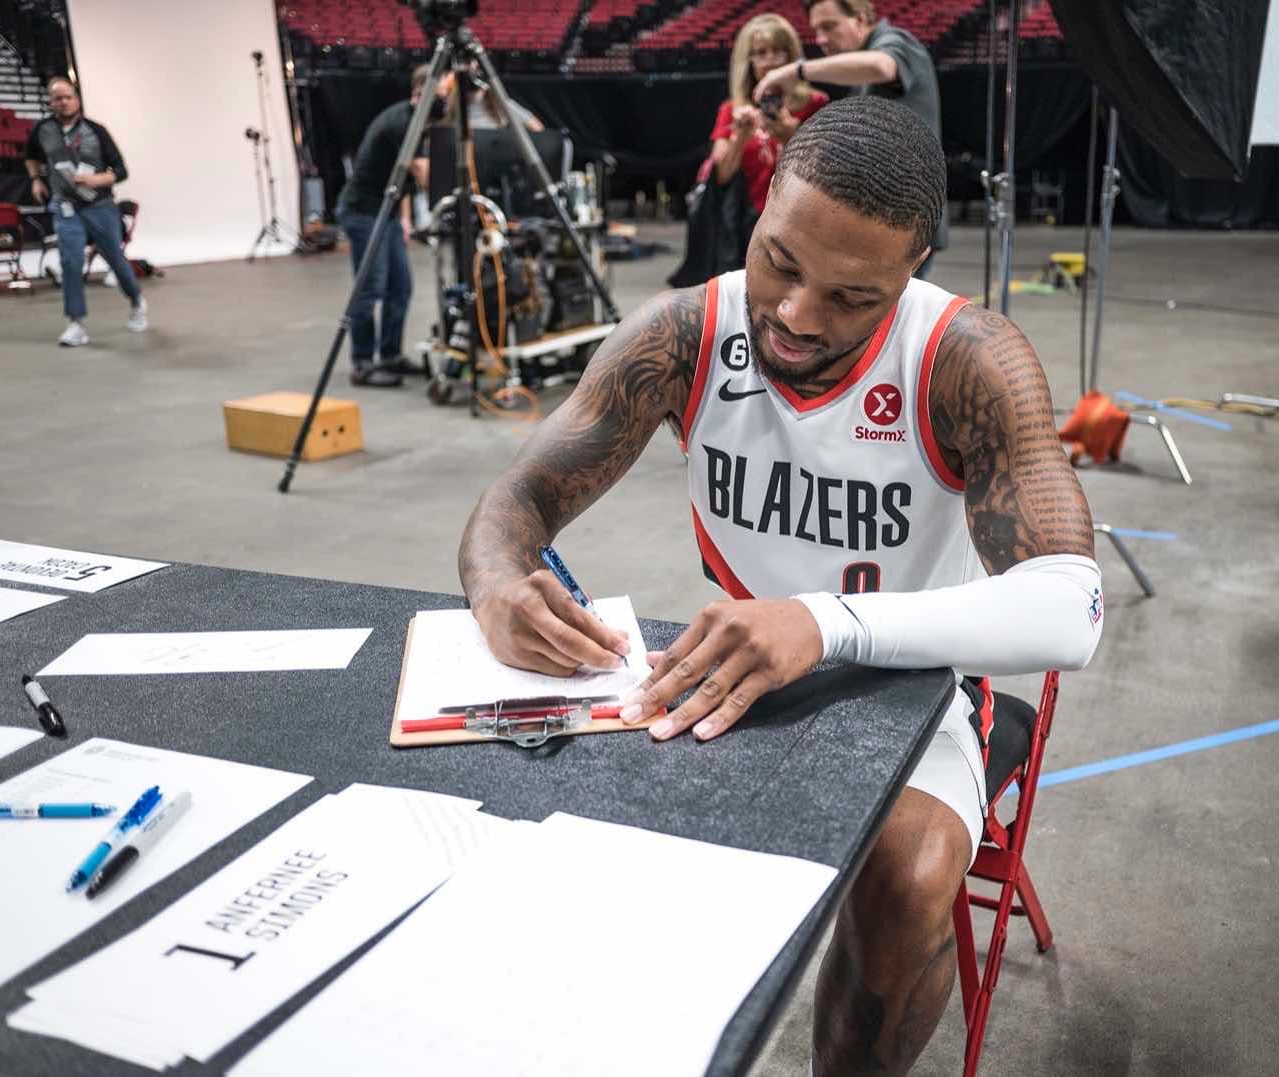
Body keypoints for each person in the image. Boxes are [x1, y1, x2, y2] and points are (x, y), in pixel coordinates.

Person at [459, 97, 1102, 1077]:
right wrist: (499, 579)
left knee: (913, 876)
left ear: (913, 270)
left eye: (852, 296)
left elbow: (1073, 606)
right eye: (781, 263)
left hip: (914, 689)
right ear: (760, 216)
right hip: (730, 672)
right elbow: (522, 496)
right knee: (526, 815)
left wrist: (826, 622)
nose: (798, 315)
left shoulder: (967, 358)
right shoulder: (683, 333)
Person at [755, 0, 947, 279]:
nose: (820, 39)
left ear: (859, 19)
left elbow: (882, 67)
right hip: (878, 226)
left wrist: (795, 71)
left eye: (829, 26)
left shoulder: (896, 40)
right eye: (816, 30)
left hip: (902, 225)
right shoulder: (858, 76)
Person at [23, 76, 147, 348]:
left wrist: (97, 180)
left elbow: (121, 171)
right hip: (66, 207)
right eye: (58, 98)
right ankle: (75, 323)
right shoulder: (42, 130)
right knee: (70, 263)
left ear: (76, 99)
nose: (64, 102)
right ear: (51, 102)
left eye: (68, 96)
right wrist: (35, 179)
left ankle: (137, 301)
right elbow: (30, 155)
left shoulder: (96, 131)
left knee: (115, 258)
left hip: (100, 206)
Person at [335, 65, 434, 388]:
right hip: (363, 212)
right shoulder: (402, 124)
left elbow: (399, 177)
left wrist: (404, 218)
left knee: (401, 287)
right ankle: (362, 364)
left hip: (387, 212)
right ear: (419, 94)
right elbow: (423, 173)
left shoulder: (418, 121)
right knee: (370, 289)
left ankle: (390, 355)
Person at [711, 13, 828, 217]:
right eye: (761, 53)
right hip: (751, 222)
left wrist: (793, 135)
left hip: (803, 219)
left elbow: (829, 170)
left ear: (791, 56)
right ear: (748, 61)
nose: (770, 62)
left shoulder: (815, 103)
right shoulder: (732, 110)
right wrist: (740, 138)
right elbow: (720, 176)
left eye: (778, 52)